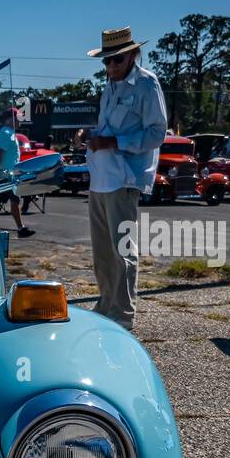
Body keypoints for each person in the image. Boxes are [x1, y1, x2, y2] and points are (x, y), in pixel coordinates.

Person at [85, 26, 167, 331]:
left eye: (117, 60)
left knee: (122, 249)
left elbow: (157, 133)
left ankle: (123, 313)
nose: (110, 66)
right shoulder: (110, 87)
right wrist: (92, 137)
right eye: (106, 61)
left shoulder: (147, 85)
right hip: (100, 177)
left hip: (124, 177)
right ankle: (106, 303)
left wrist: (113, 143)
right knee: (102, 250)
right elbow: (108, 130)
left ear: (133, 55)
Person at [0, 109, 34, 238]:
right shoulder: (5, 133)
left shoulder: (10, 133)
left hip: (10, 173)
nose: (19, 121)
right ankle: (20, 228)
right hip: (5, 174)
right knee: (9, 200)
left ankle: (21, 228)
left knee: (13, 200)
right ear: (10, 119)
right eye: (17, 118)